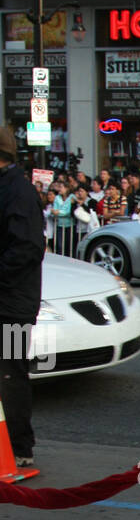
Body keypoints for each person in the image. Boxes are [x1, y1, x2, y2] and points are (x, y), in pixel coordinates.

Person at [0, 126, 45, 468]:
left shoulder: (18, 191)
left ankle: (19, 447)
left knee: (12, 373)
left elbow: (28, 247)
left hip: (13, 306)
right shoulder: (10, 188)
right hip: (9, 301)